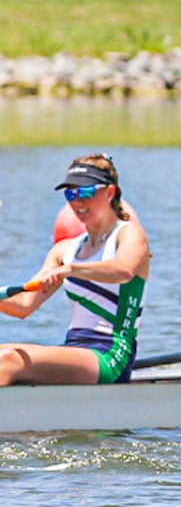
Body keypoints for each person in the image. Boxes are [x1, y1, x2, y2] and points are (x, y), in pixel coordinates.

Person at [0, 155, 150, 386]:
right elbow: (23, 306)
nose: (77, 201)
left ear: (110, 192)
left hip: (111, 355)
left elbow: (124, 270)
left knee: (8, 360)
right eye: (70, 194)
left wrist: (69, 270)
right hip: (76, 350)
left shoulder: (130, 234)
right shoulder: (64, 250)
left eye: (86, 192)